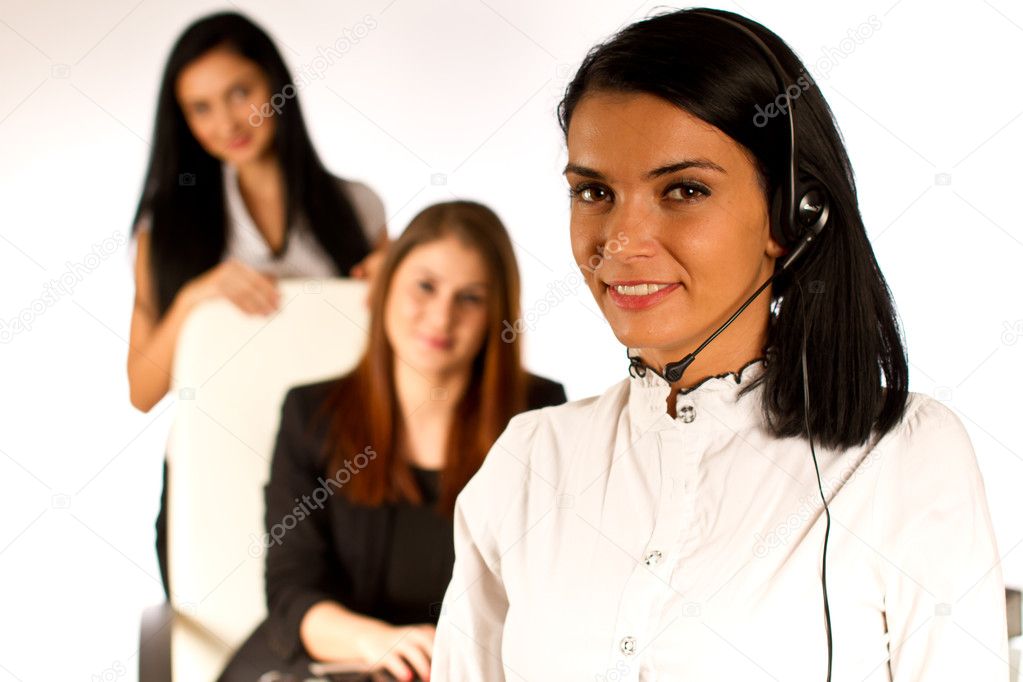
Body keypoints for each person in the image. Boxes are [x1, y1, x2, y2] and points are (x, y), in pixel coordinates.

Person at [433, 8, 1008, 681]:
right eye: (594, 191)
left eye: (683, 190)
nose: (619, 242)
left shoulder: (900, 453)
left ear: (793, 215)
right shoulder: (529, 462)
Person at [218, 201, 567, 682]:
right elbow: (291, 589)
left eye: (470, 298)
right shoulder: (310, 414)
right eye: (425, 287)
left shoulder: (538, 414)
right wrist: (378, 643)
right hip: (334, 661)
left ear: (496, 314)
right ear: (385, 288)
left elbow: (548, 590)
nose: (441, 317)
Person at [126, 12, 388, 595]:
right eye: (200, 107)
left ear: (275, 85)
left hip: (338, 471)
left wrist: (398, 284)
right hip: (215, 471)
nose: (226, 122)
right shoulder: (166, 233)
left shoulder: (356, 209)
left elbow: (403, 352)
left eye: (239, 93)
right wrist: (198, 295)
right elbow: (143, 389)